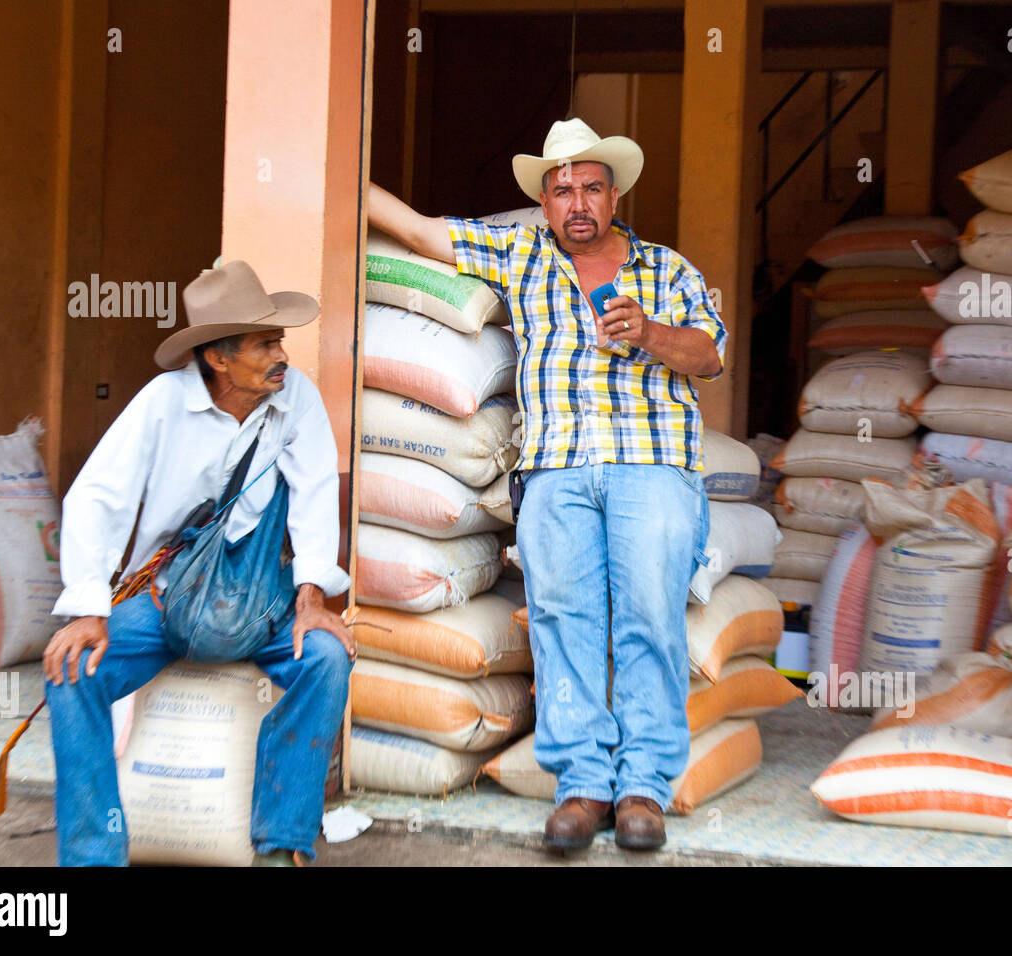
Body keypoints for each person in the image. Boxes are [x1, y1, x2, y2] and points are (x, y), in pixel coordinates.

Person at [368, 118, 727, 851]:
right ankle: (582, 786)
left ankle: (643, 789)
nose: (578, 202)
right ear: (544, 201)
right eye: (561, 190)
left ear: (615, 193)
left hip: (649, 462)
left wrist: (651, 332)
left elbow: (712, 354)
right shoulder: (520, 253)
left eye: (591, 187)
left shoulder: (667, 268)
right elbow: (416, 231)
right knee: (564, 626)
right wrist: (331, 164)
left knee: (649, 621)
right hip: (557, 467)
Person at [43, 260, 355, 867]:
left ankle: (281, 843)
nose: (281, 355)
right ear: (218, 358)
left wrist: (313, 598)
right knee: (72, 672)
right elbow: (97, 496)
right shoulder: (162, 404)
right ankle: (92, 855)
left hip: (263, 601)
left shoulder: (296, 400)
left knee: (325, 659)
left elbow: (317, 492)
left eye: (279, 340)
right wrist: (86, 607)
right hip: (166, 601)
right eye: (266, 343)